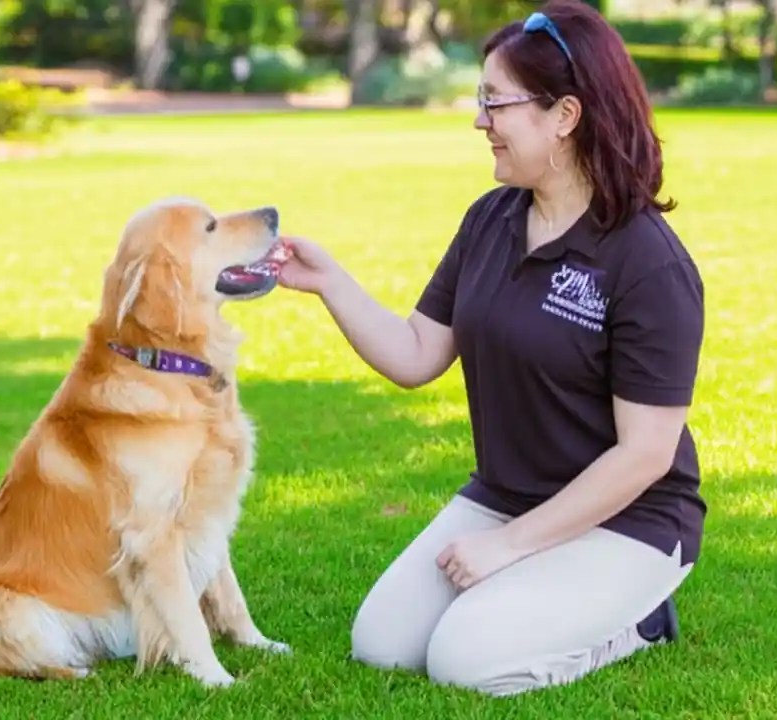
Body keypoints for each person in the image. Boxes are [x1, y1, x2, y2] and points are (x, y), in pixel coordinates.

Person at [276, 0, 706, 698]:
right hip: (506, 496)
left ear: (563, 116)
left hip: (628, 522)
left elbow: (646, 454)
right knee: (382, 645)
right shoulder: (492, 219)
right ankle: (535, 580)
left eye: (494, 103)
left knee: (466, 661)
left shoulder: (647, 264)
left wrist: (507, 549)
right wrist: (328, 282)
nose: (480, 122)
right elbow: (418, 353)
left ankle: (641, 622)